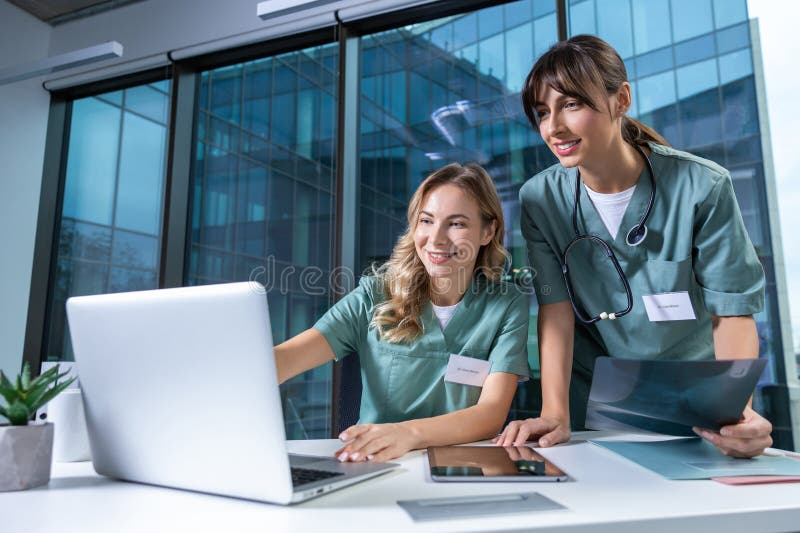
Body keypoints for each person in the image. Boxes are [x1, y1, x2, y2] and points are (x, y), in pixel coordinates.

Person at [495, 35, 772, 458]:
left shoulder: (702, 186)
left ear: (621, 99)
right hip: (595, 410)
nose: (553, 127)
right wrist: (554, 412)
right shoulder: (540, 199)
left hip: (697, 405)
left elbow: (731, 310)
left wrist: (736, 414)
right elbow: (556, 309)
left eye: (571, 104)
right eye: (542, 112)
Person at [275, 162, 531, 462]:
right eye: (426, 221)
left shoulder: (506, 304)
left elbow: (490, 414)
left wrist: (408, 434)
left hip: (465, 467)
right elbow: (286, 360)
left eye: (456, 224)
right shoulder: (374, 295)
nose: (436, 239)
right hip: (375, 463)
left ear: (488, 231)